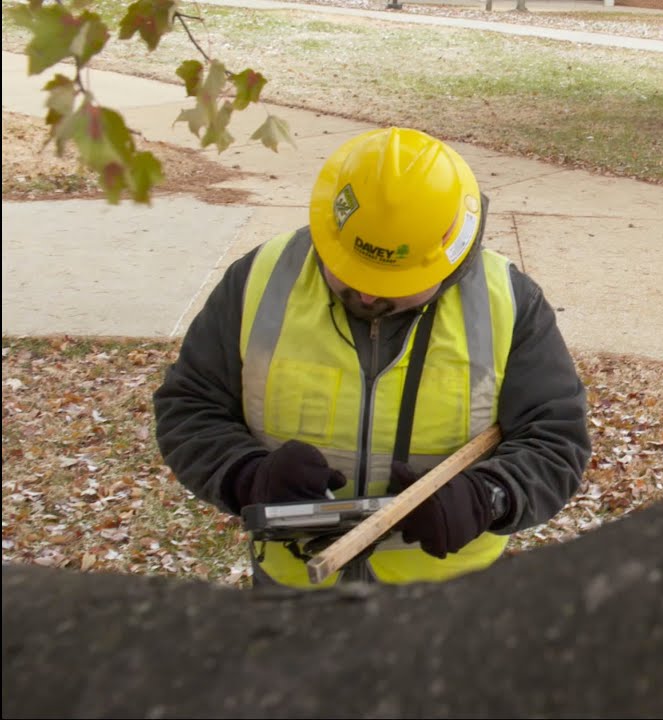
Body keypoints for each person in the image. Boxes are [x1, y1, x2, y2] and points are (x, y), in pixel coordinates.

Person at [153, 127, 591, 589]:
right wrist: (248, 477)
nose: (365, 292)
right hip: (298, 595)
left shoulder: (508, 302)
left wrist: (490, 496)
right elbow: (190, 409)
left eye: (393, 283)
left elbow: (556, 440)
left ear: (452, 261)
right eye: (348, 270)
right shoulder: (260, 281)